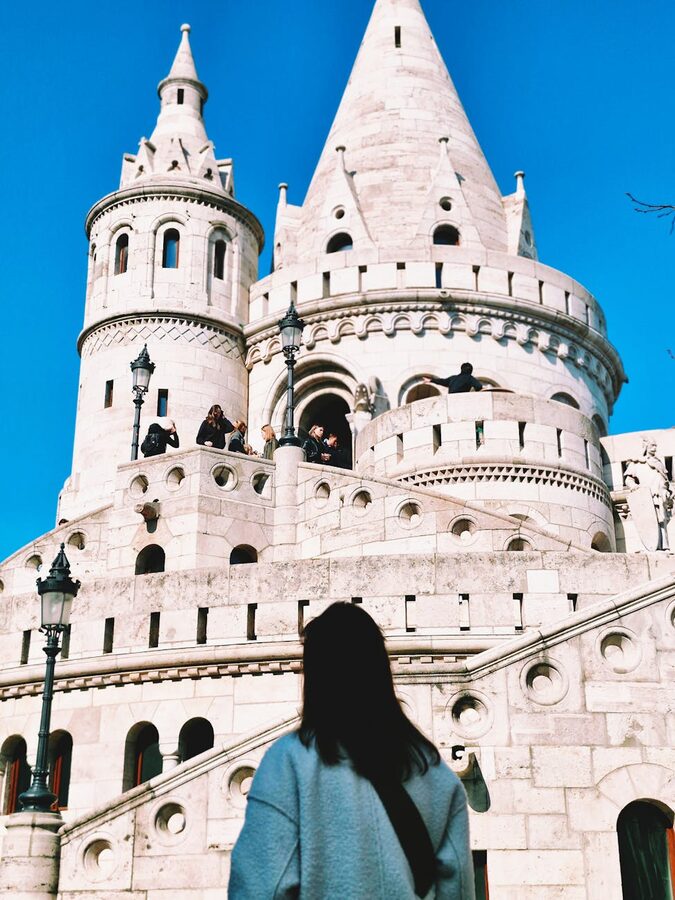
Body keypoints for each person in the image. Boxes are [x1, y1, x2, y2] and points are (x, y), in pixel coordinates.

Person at [229, 602, 475, 899]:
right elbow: (457, 887)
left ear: (317, 676)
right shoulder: (437, 777)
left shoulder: (288, 763)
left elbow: (262, 887)